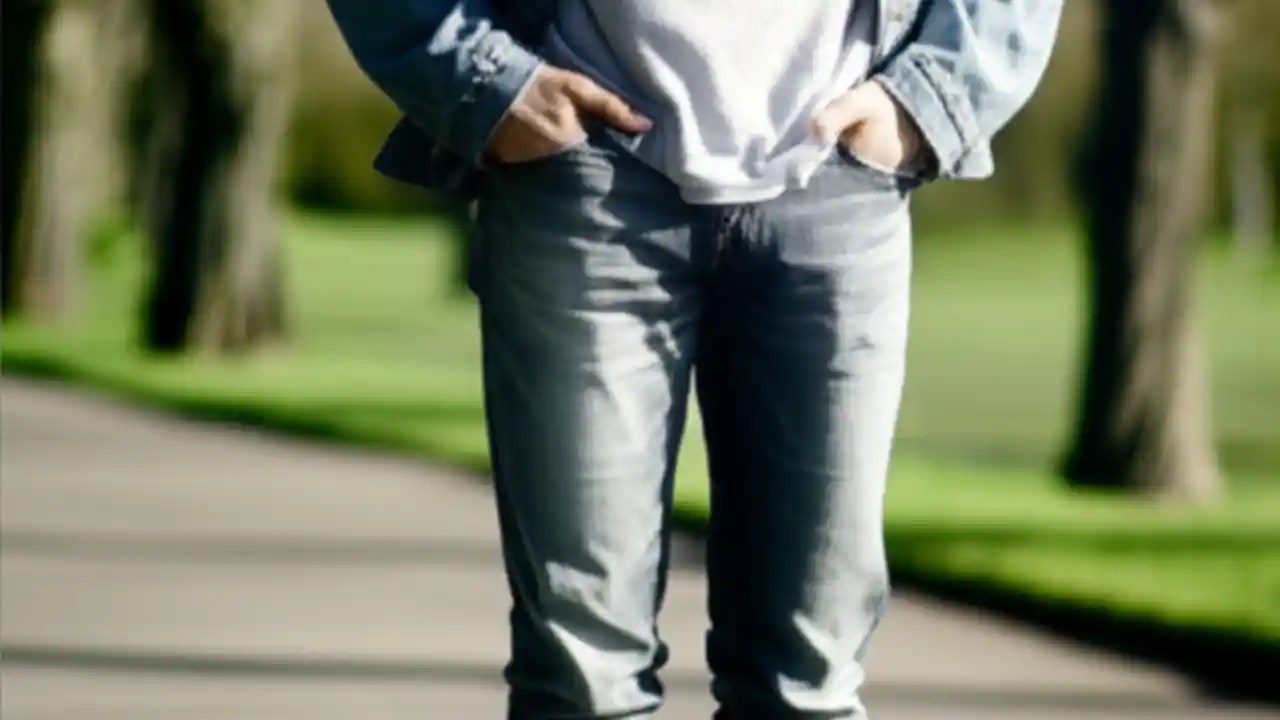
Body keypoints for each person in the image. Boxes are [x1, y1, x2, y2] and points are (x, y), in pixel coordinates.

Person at [326, 1, 1062, 717]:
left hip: (838, 180)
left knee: (806, 685)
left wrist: (928, 98)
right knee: (585, 680)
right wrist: (486, 82)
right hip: (584, 180)